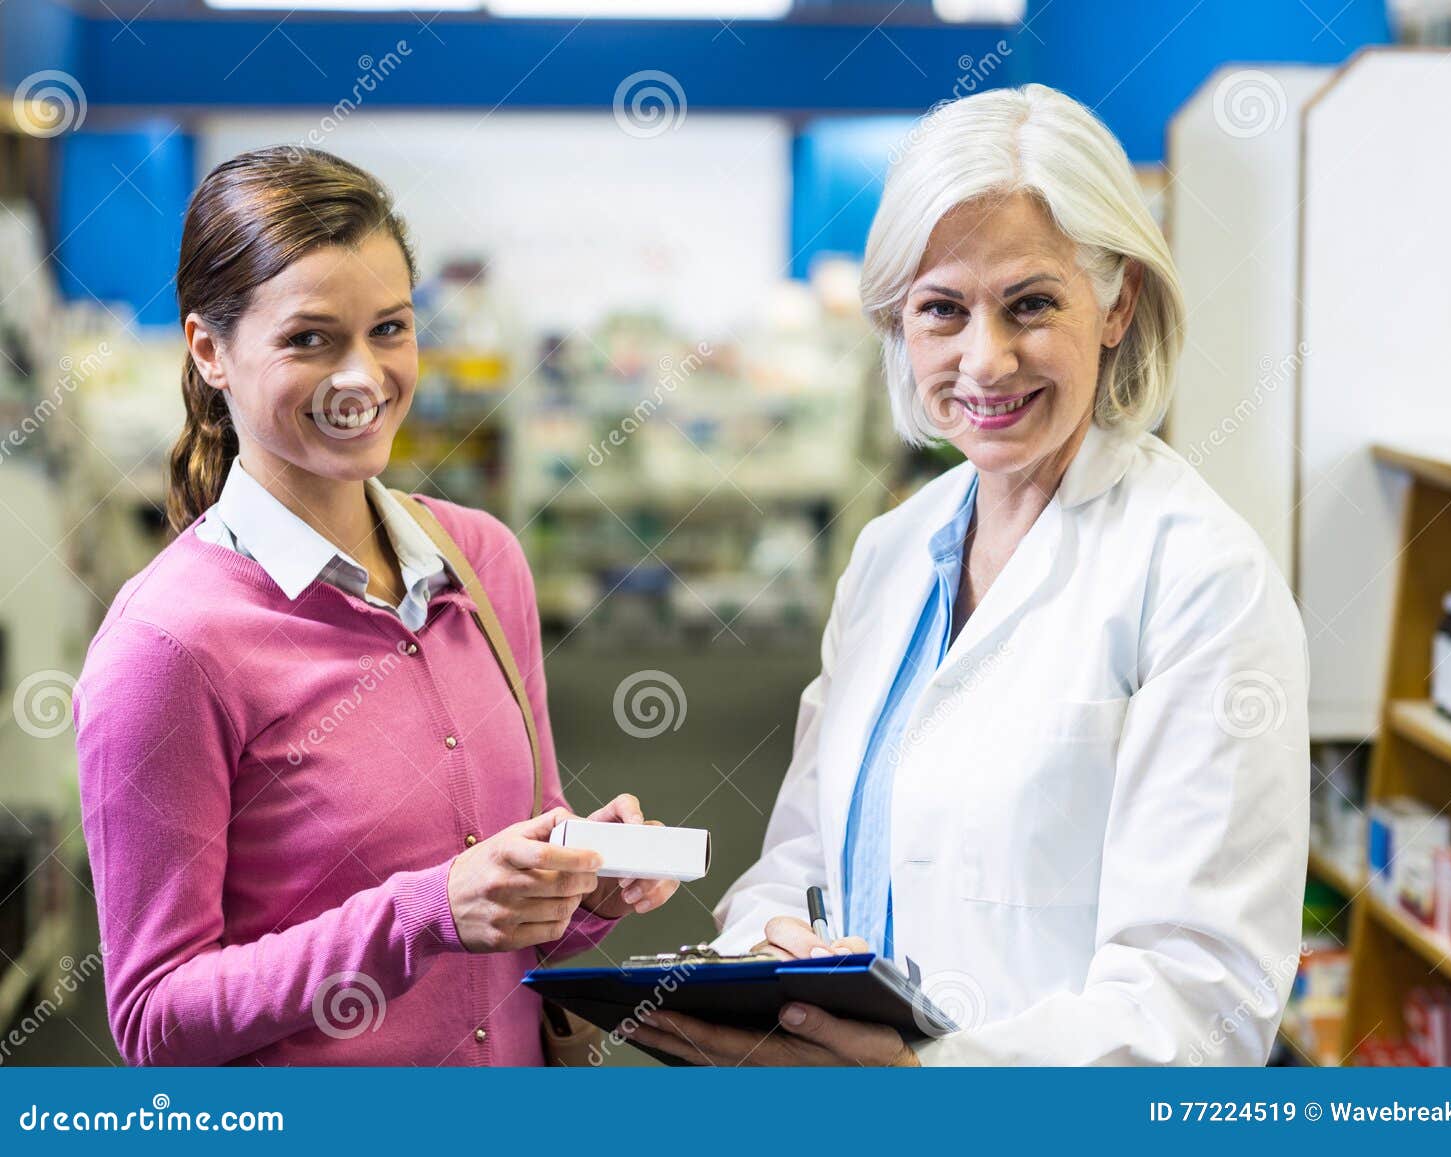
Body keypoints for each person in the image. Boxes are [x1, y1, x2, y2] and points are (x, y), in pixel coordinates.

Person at [622, 84, 1309, 1067]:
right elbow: (804, 855)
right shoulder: (894, 551)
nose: (984, 361)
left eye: (1030, 304)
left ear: (1118, 307)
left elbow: (1202, 1008)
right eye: (943, 309)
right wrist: (757, 963)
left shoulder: (1200, 580)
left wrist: (920, 1080)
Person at [72, 146, 676, 1066]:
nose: (363, 377)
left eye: (389, 329)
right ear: (210, 350)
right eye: (311, 339)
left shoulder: (482, 563)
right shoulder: (169, 645)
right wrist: (423, 912)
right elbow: (156, 1020)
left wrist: (579, 886)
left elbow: (510, 910)